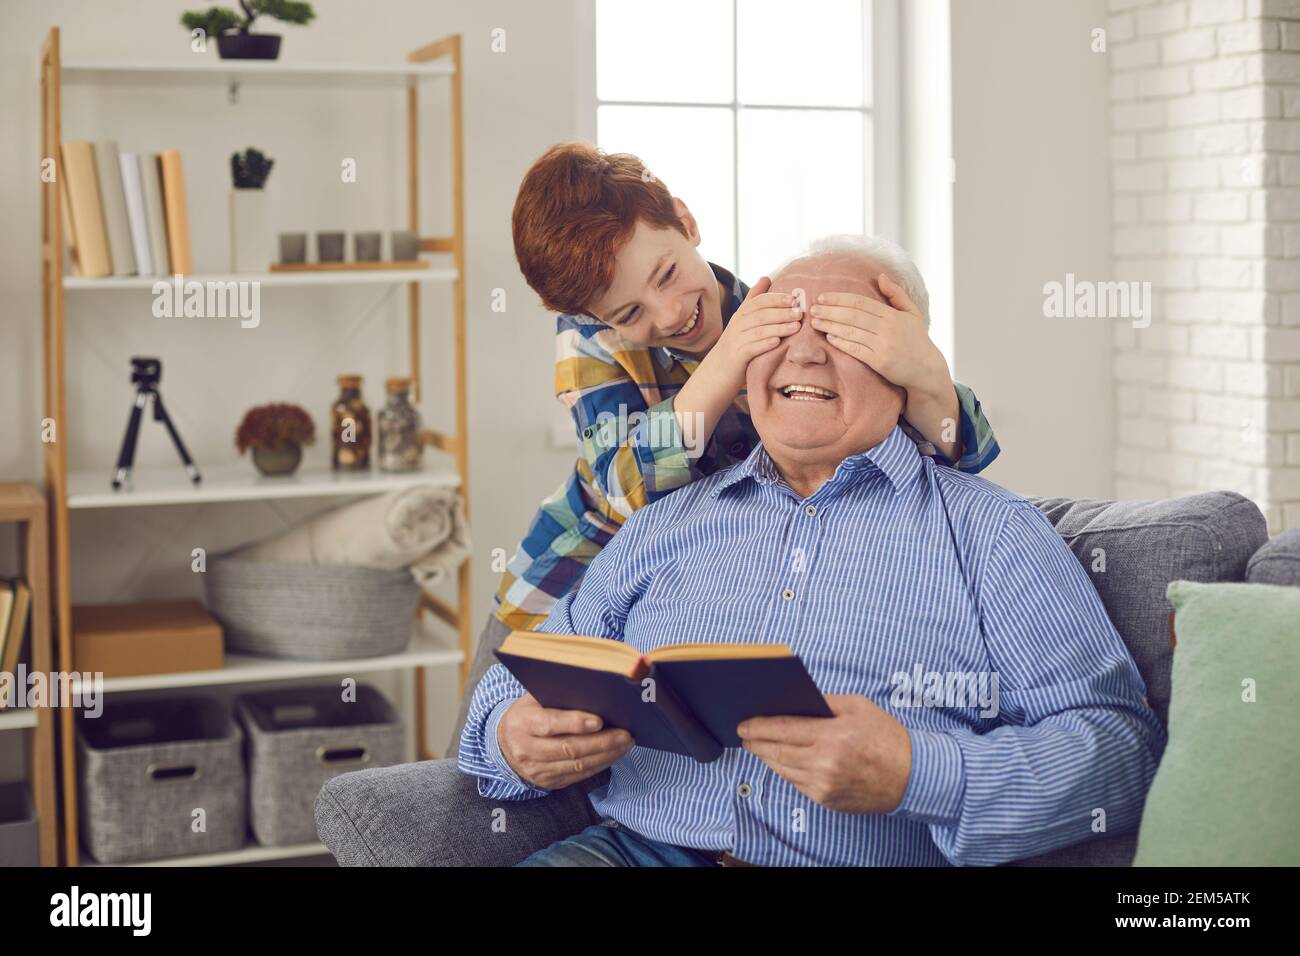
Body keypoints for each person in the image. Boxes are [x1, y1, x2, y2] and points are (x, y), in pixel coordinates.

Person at [458, 235, 1164, 867]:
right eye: (781, 326)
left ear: (906, 361)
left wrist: (918, 771)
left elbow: (1122, 751)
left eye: (842, 328)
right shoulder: (659, 523)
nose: (803, 349)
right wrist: (509, 735)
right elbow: (517, 681)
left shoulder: (995, 535)